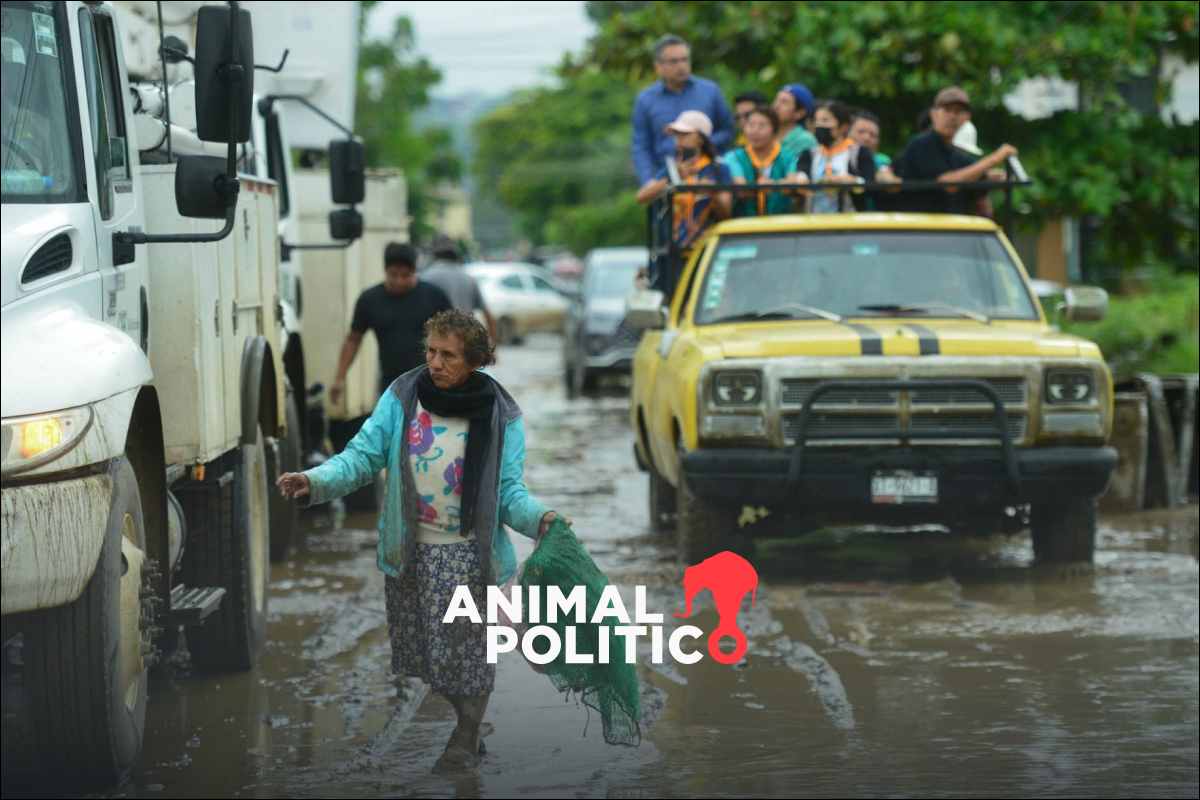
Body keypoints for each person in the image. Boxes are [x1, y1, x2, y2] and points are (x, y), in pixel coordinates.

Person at [276, 310, 563, 773]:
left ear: (474, 360)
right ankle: (467, 725)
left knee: (467, 658)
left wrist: (540, 519)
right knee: (426, 659)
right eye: (430, 351)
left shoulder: (501, 414)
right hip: (410, 553)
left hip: (470, 559)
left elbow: (509, 492)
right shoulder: (403, 395)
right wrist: (316, 481)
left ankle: (465, 739)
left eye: (448, 355)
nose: (435, 362)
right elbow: (363, 455)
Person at [330, 242, 453, 405]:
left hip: (433, 381)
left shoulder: (434, 296)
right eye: (393, 275)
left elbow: (455, 337)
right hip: (391, 384)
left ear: (414, 272)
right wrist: (339, 378)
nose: (399, 281)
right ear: (385, 271)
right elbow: (353, 339)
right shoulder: (370, 300)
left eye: (405, 275)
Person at [891, 86, 1017, 215]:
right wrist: (995, 158)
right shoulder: (921, 144)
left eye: (958, 111)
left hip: (954, 229)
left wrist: (990, 178)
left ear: (967, 117)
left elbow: (982, 202)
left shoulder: (959, 157)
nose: (952, 116)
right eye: (947, 110)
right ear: (934, 114)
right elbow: (948, 184)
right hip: (918, 228)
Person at [631, 34, 734, 186]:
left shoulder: (710, 91)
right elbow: (641, 147)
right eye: (674, 61)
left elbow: (728, 131)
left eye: (685, 59)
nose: (681, 66)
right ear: (658, 66)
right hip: (665, 180)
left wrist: (700, 144)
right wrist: (649, 181)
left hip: (708, 179)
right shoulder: (645, 100)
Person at [636, 110, 732, 247]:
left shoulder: (718, 169)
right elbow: (642, 197)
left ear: (701, 138)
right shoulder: (671, 169)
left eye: (685, 134)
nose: (679, 140)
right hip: (671, 249)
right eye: (676, 135)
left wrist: (712, 194)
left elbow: (726, 213)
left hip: (707, 246)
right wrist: (673, 178)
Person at [794, 100, 877, 213]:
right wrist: (800, 179)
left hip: (850, 223)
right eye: (816, 121)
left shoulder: (859, 153)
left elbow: (870, 185)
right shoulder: (809, 154)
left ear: (843, 126)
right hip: (815, 223)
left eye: (825, 120)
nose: (819, 125)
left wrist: (851, 181)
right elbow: (801, 175)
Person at [422, 235, 498, 345]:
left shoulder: (426, 277)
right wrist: (493, 345)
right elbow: (488, 316)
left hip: (437, 344)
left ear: (433, 254)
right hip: (464, 344)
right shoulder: (468, 278)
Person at [725, 105, 797, 217]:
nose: (755, 131)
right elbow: (741, 188)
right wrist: (777, 186)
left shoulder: (788, 156)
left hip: (781, 224)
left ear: (774, 130)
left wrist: (773, 184)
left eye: (762, 126)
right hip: (743, 225)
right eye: (751, 125)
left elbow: (793, 183)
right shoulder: (733, 157)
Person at [849, 110, 898, 182]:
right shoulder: (836, 155)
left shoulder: (881, 159)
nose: (866, 138)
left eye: (873, 135)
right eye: (861, 132)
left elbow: (886, 174)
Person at [773, 83, 817, 163]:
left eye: (784, 102)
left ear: (800, 113)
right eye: (776, 100)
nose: (776, 106)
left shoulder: (805, 140)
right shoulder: (766, 134)